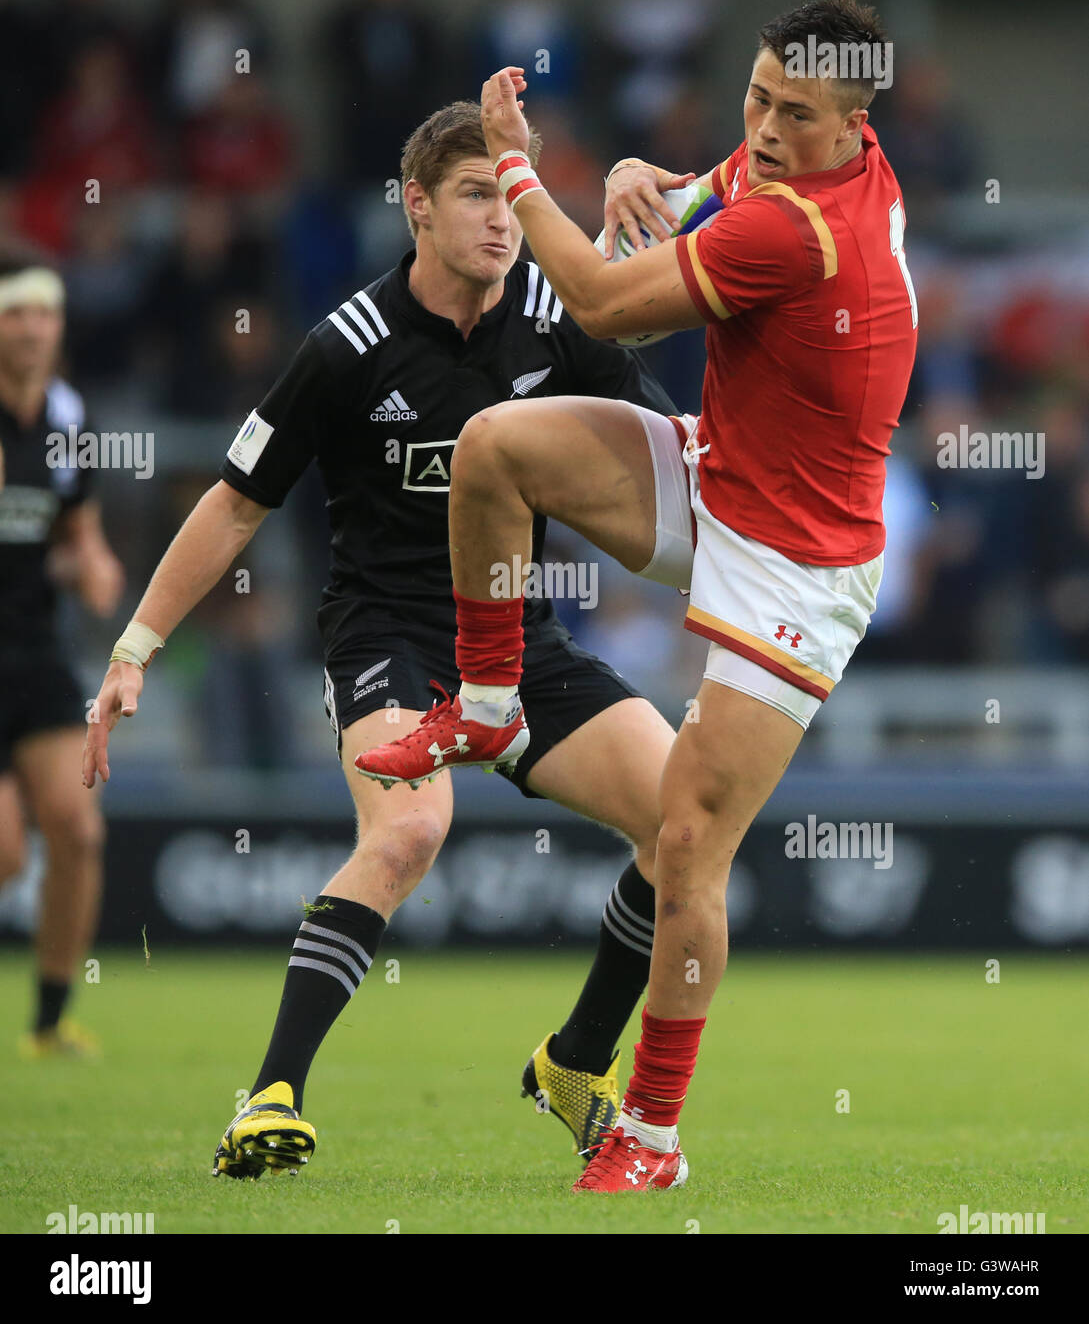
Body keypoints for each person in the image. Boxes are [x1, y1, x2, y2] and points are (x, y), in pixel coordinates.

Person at [358, 0, 920, 1193]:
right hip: (725, 469)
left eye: (794, 114)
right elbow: (693, 194)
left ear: (851, 127)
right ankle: (496, 696)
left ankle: (651, 1138)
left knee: (685, 842)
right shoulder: (824, 161)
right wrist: (629, 179)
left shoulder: (806, 232)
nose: (764, 127)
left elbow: (604, 303)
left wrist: (519, 163)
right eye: (759, 95)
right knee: (496, 448)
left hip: (799, 563)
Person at [83, 100, 691, 1179]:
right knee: (412, 833)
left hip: (518, 633)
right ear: (416, 207)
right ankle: (269, 1093)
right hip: (388, 634)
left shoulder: (559, 318)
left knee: (686, 819)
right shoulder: (347, 346)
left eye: (515, 193)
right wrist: (134, 647)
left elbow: (659, 463)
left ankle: (576, 1059)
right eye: (474, 193)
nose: (504, 219)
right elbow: (235, 502)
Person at [0, 253, 124, 1057]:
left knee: (76, 833)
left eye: (46, 313)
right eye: (17, 314)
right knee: (6, 853)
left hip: (33, 647)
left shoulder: (68, 417)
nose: (35, 328)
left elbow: (85, 541)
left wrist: (96, 569)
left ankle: (48, 1022)